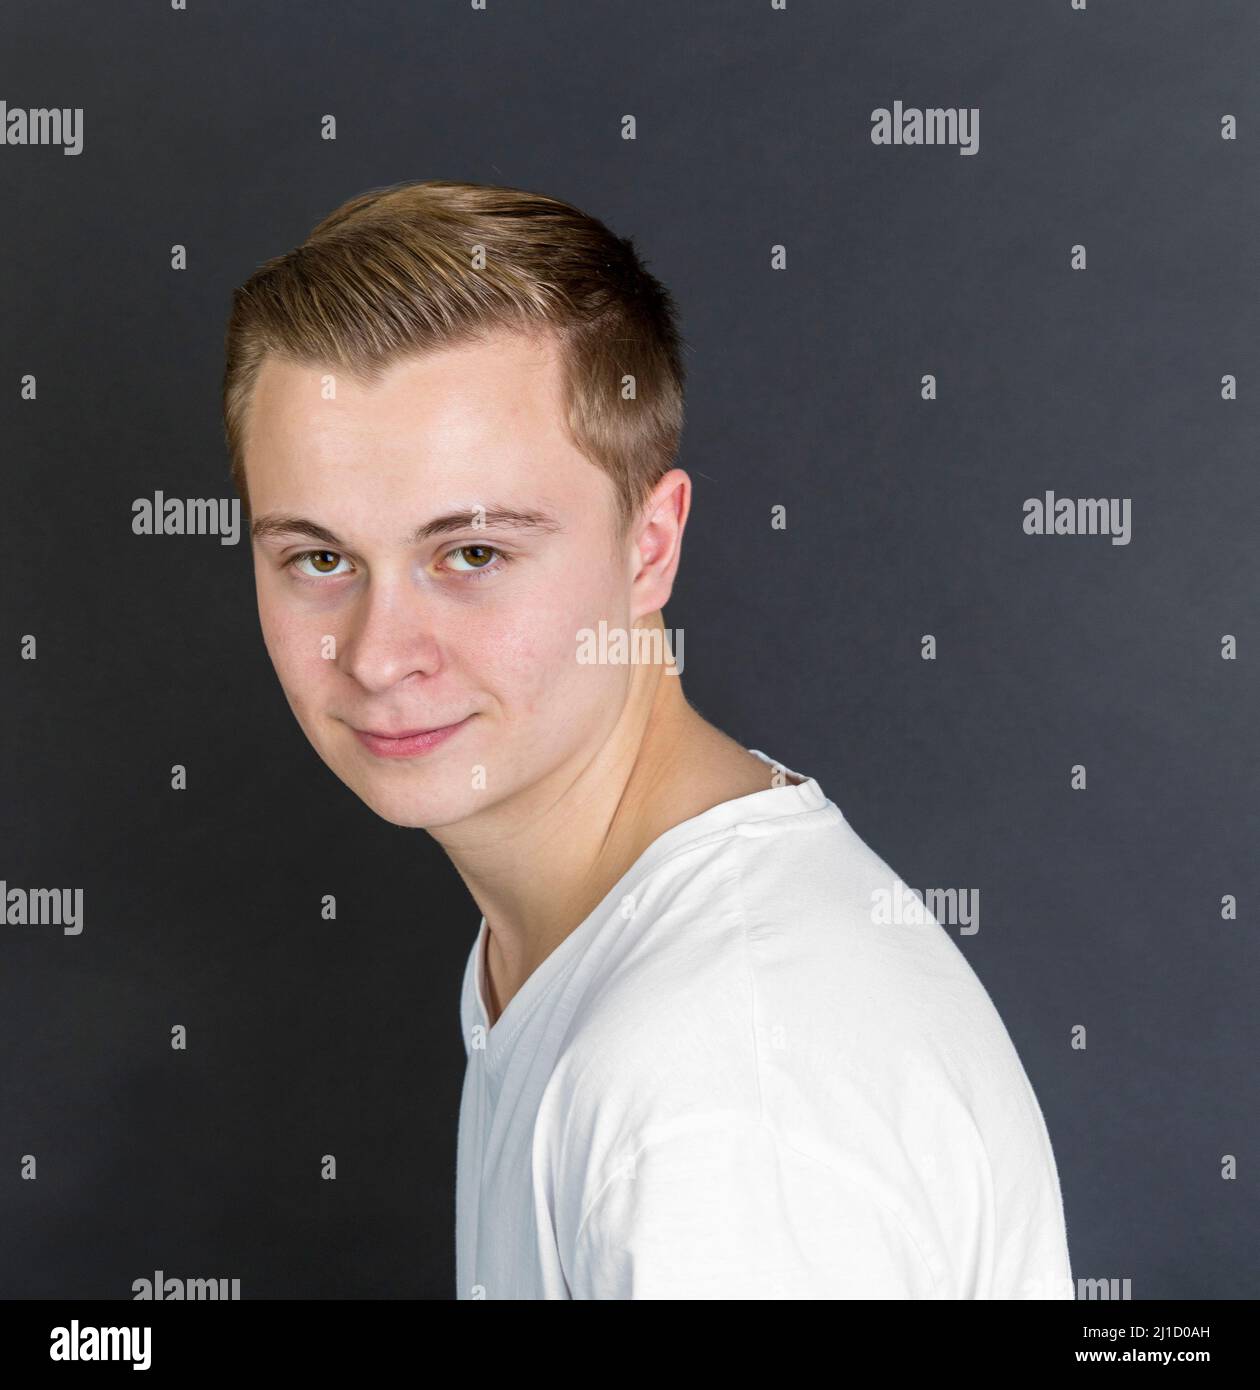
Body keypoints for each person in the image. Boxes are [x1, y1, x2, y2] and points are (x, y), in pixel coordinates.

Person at [223, 178, 1074, 1299]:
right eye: (318, 559)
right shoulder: (585, 956)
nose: (380, 655)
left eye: (472, 553)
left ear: (649, 545)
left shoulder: (716, 1092)